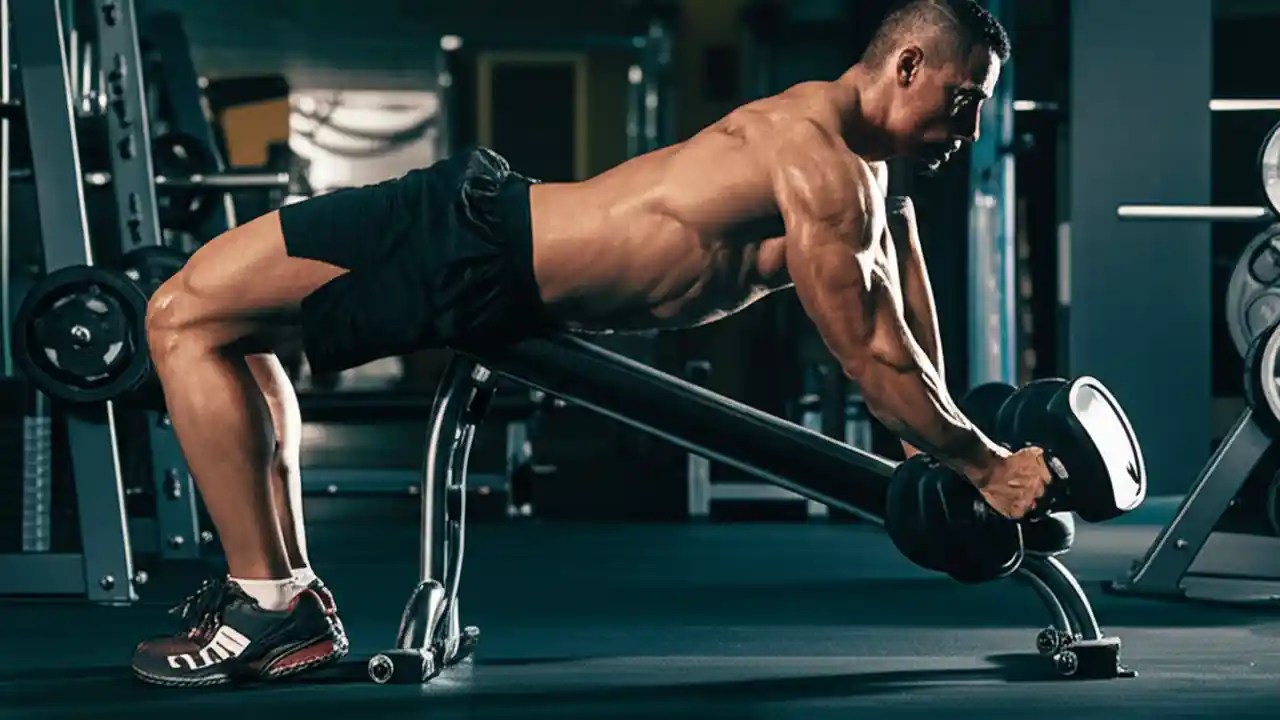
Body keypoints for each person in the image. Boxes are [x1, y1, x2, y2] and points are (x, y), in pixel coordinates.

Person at [131, 0, 1049, 688]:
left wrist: (948, 440)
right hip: (467, 238)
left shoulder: (869, 171)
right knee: (183, 317)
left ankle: (282, 603)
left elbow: (903, 302)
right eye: (963, 102)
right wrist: (980, 463)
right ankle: (272, 600)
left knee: (214, 326)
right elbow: (871, 353)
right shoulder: (818, 156)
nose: (969, 130)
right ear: (908, 64)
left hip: (493, 264)